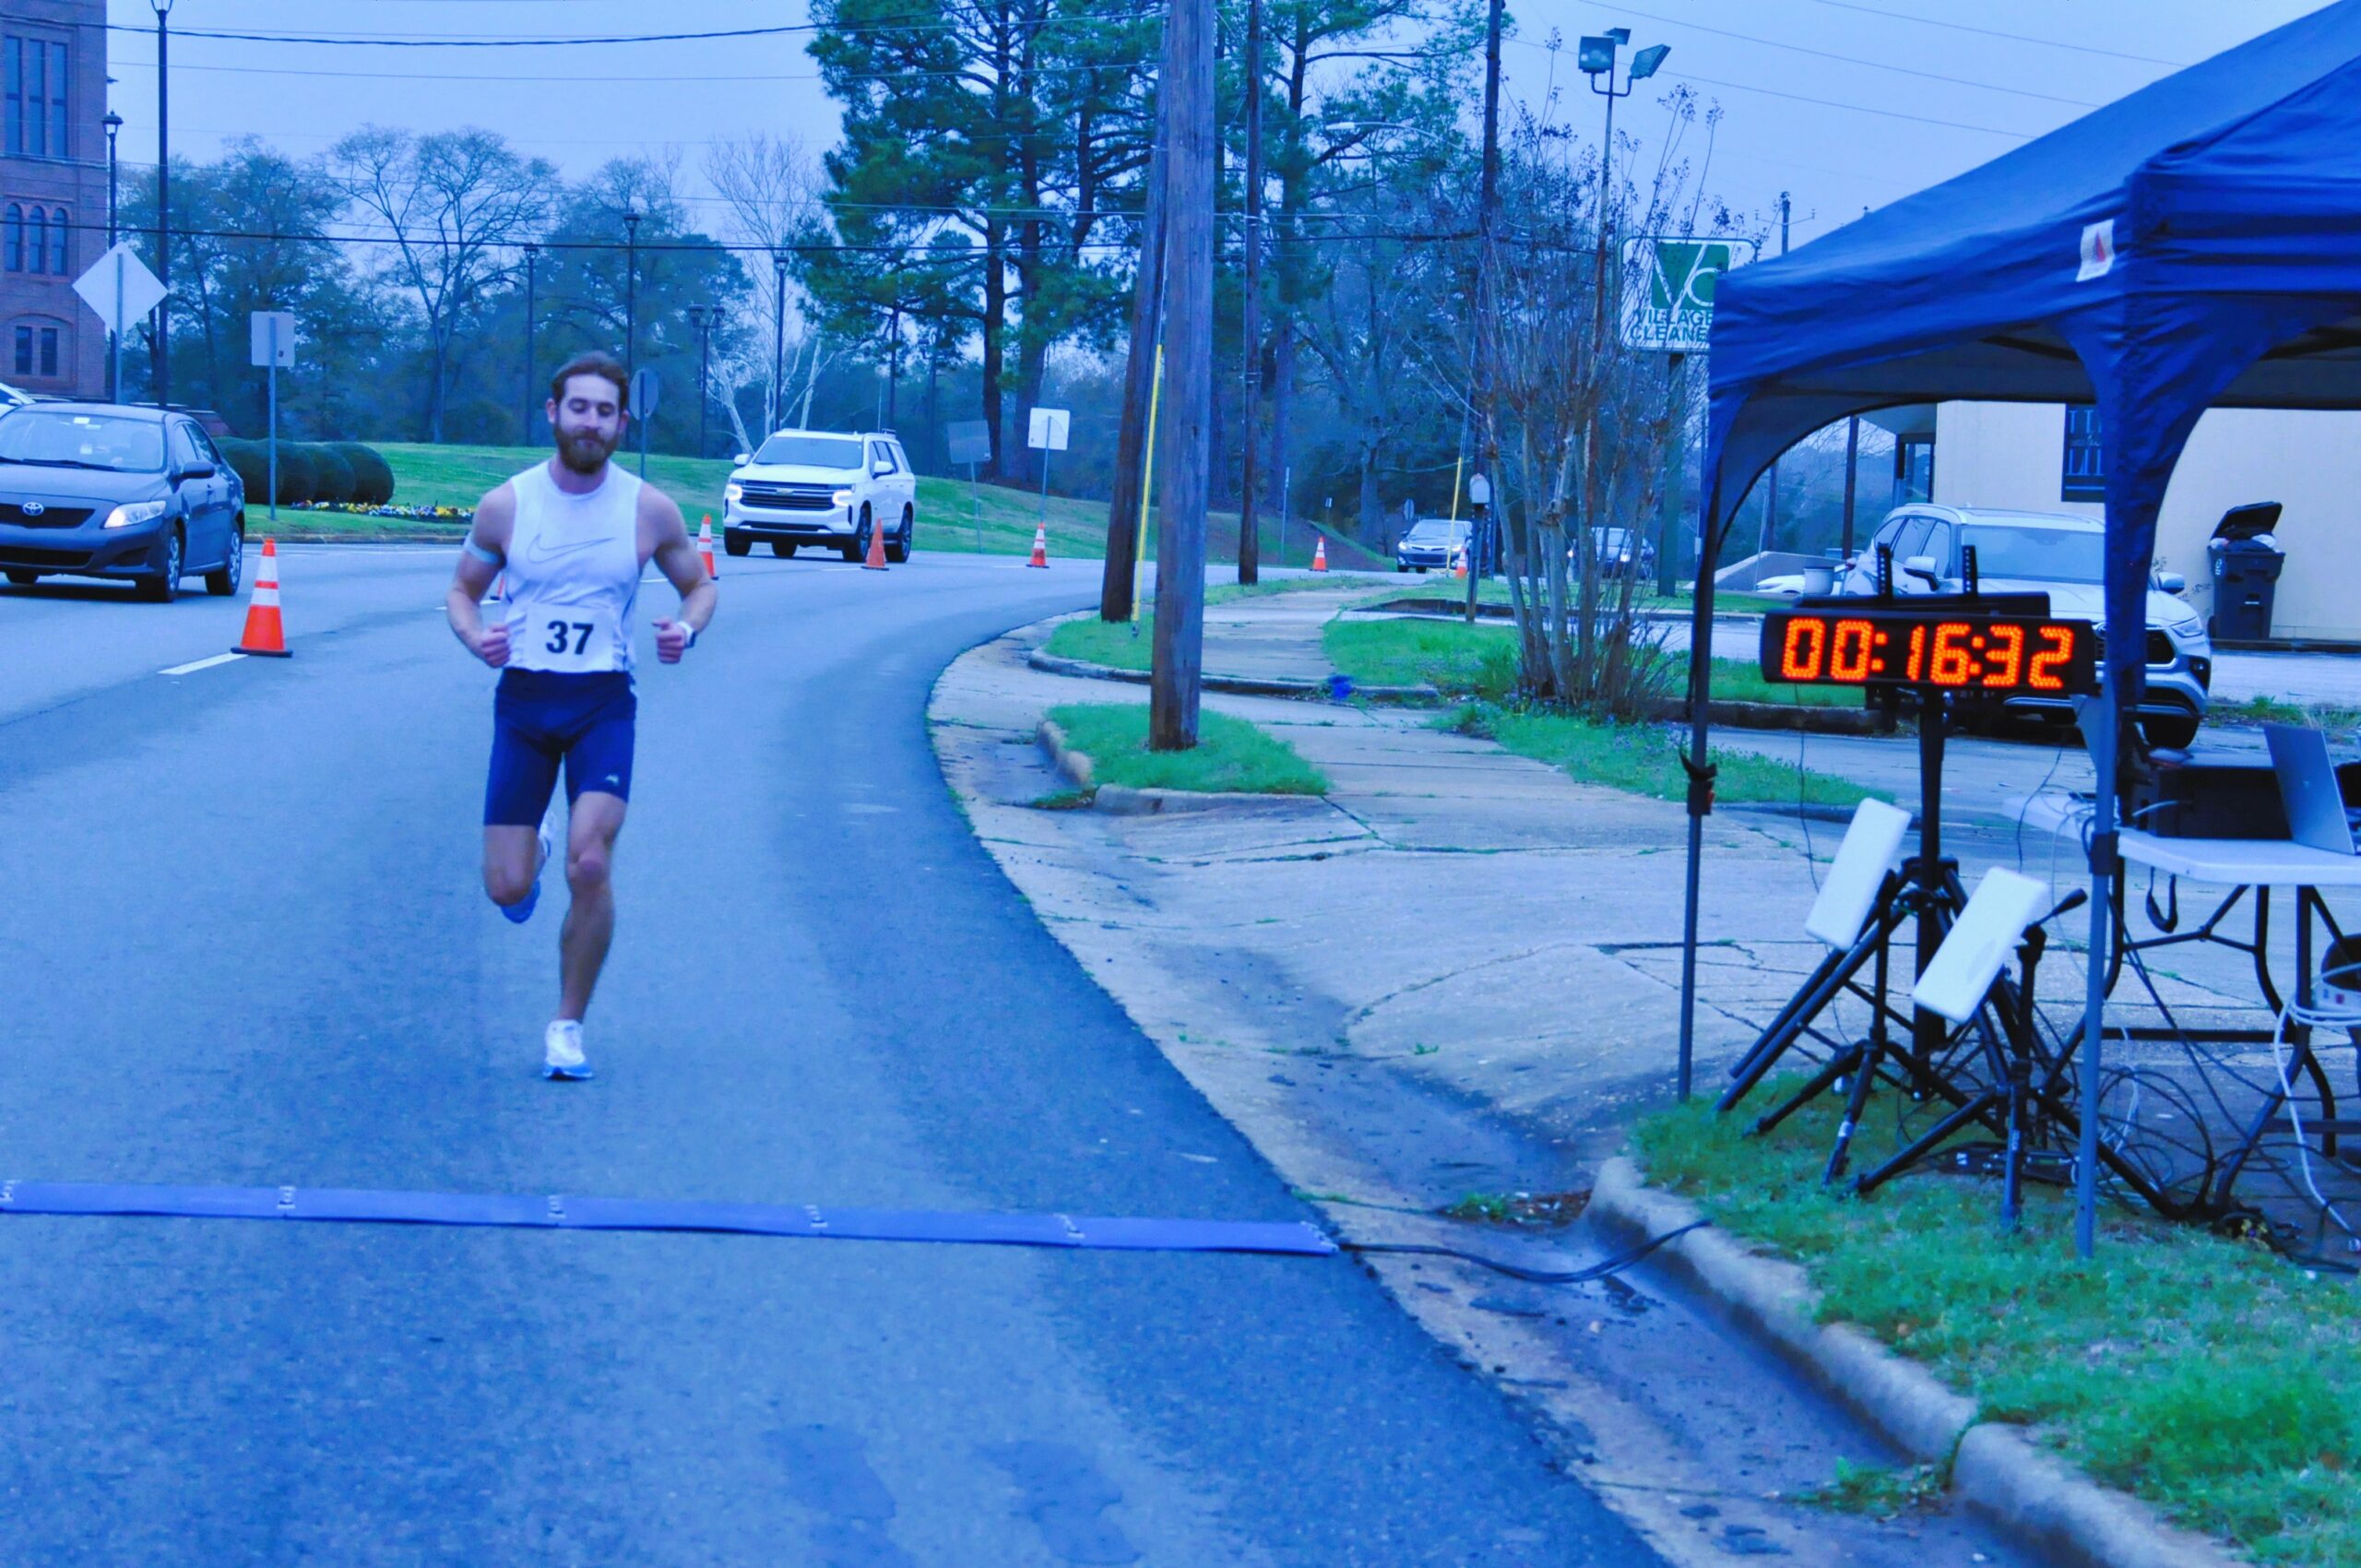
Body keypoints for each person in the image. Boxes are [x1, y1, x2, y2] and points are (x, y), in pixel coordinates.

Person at [445, 350, 715, 1080]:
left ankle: (567, 1026)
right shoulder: (508, 505)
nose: (591, 422)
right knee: (506, 887)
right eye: (579, 408)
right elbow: (462, 592)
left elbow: (700, 586)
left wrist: (684, 629)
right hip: (527, 702)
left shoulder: (648, 508)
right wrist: (477, 637)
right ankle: (531, 846)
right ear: (554, 414)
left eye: (605, 411)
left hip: (602, 703)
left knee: (591, 862)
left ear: (621, 423)